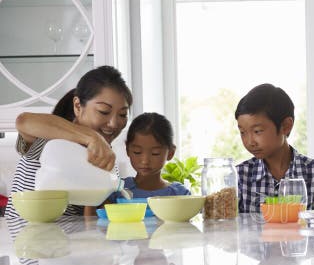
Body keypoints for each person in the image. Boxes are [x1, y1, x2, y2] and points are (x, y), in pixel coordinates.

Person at [7, 65, 133, 225]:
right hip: (24, 240)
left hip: (69, 245)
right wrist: (91, 137)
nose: (114, 123)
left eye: (122, 114)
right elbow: (23, 121)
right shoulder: (50, 141)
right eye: (103, 111)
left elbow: (94, 217)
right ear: (78, 106)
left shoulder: (105, 157)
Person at [235, 83, 314, 213]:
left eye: (257, 131)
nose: (250, 142)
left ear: (286, 126)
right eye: (243, 132)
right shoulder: (239, 177)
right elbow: (221, 228)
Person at [104, 112, 190, 204]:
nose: (145, 161)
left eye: (155, 153)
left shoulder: (180, 194)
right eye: (137, 152)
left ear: (170, 153)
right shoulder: (117, 191)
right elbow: (91, 217)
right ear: (128, 150)